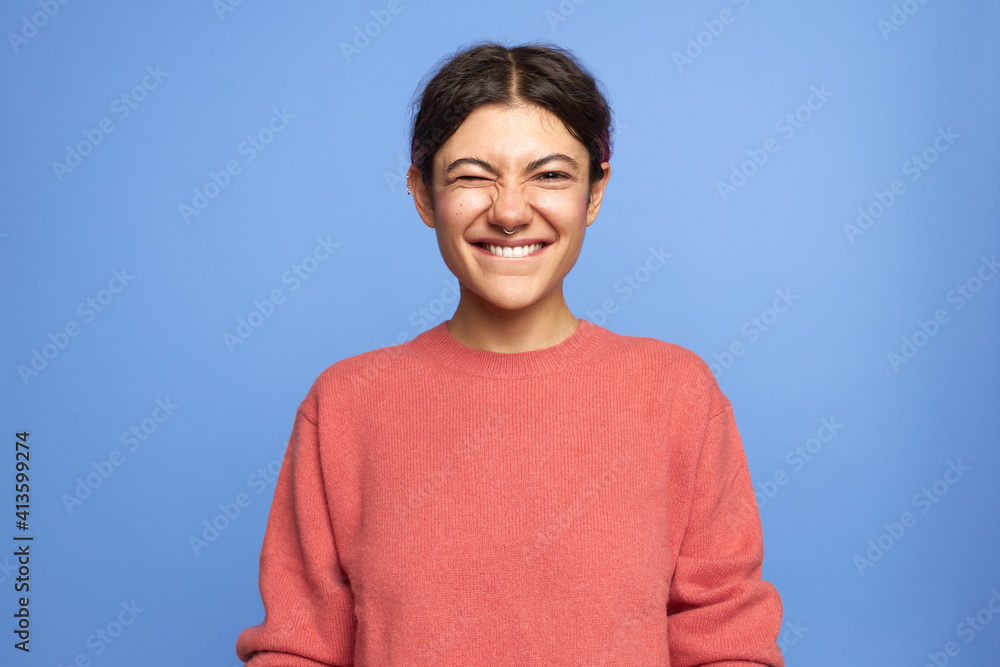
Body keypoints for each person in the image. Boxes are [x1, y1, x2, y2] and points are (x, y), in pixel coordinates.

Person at [236, 40, 784, 666]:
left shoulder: (677, 392)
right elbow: (299, 648)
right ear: (422, 193)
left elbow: (725, 639)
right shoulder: (346, 404)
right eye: (472, 177)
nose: (511, 212)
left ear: (594, 193)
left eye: (549, 176)